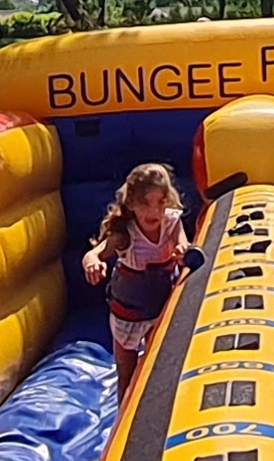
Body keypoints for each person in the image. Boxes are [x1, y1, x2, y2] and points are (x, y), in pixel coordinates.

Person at [82, 162, 204, 396]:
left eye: (160, 202)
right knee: (126, 374)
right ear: (131, 203)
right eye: (146, 203)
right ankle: (123, 413)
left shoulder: (171, 222)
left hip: (160, 304)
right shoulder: (126, 233)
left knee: (157, 366)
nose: (154, 211)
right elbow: (95, 253)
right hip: (128, 310)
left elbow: (182, 244)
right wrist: (93, 263)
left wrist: (182, 252)